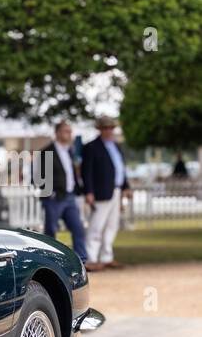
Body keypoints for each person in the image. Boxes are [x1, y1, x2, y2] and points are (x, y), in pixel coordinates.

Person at [34, 121, 88, 264]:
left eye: (70, 131)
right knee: (51, 231)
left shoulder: (70, 151)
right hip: (54, 198)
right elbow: (38, 177)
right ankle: (49, 261)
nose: (69, 134)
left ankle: (81, 261)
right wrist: (50, 193)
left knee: (78, 229)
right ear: (57, 133)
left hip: (70, 197)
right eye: (66, 131)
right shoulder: (47, 152)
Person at [82, 116, 131, 271]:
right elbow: (86, 172)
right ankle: (91, 258)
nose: (109, 131)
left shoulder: (116, 146)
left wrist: (126, 187)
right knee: (96, 226)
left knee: (112, 225)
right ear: (100, 129)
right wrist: (89, 191)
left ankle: (106, 257)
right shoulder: (91, 147)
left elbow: (121, 169)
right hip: (100, 192)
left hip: (116, 190)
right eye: (106, 128)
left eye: (111, 128)